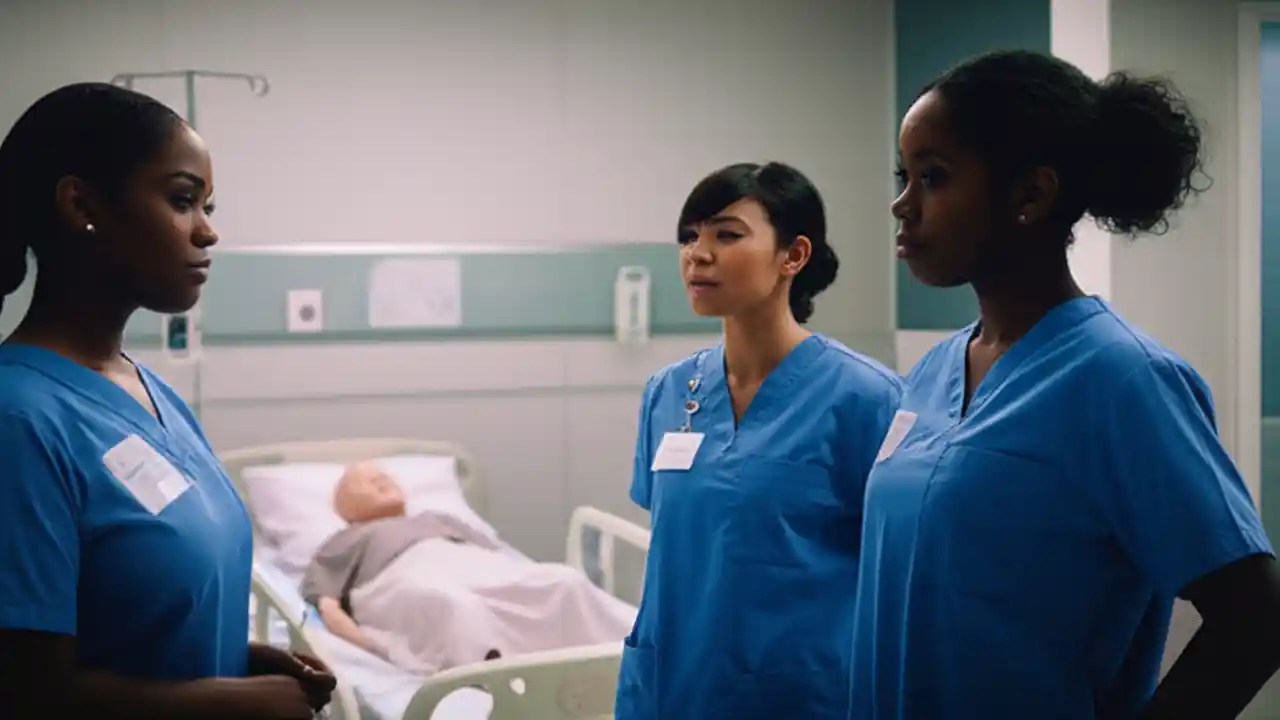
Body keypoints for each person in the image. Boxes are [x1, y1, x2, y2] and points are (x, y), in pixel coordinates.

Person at [852, 49, 1280, 719]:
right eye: (905, 176)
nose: (902, 205)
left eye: (933, 177)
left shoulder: (1123, 380)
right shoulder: (933, 372)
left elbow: (1257, 616)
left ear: (1030, 195)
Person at [0, 83, 336, 719]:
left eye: (208, 206)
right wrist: (228, 706)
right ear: (81, 204)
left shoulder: (152, 395)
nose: (208, 231)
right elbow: (26, 694)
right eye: (183, 201)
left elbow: (123, 620)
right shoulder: (19, 419)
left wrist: (233, 661)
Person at [614, 162, 905, 719]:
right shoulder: (668, 393)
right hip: (671, 689)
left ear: (793, 255)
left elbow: (899, 573)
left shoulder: (868, 400)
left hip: (799, 695)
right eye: (689, 237)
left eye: (727, 235)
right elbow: (688, 546)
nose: (698, 255)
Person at [301, 460, 635, 674]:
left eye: (384, 475)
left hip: (472, 565)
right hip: (402, 576)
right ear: (346, 508)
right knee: (458, 607)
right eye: (364, 481)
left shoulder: (439, 519)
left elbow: (502, 560)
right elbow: (328, 605)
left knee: (563, 581)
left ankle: (637, 653)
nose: (380, 479)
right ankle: (496, 685)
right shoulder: (343, 541)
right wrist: (369, 646)